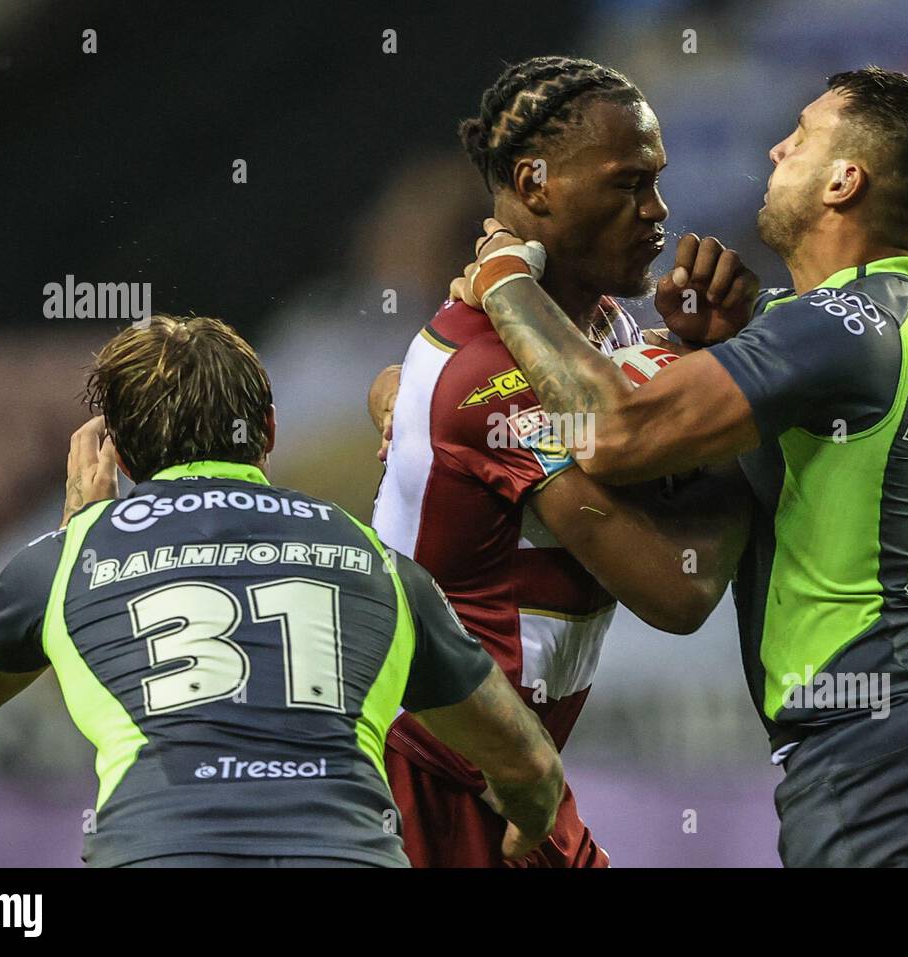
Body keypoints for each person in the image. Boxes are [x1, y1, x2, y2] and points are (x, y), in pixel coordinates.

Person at [452, 67, 908, 867]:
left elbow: (612, 433)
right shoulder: (897, 316)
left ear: (844, 180)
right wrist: (727, 335)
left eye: (800, 137)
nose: (776, 148)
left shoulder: (839, 326)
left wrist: (506, 285)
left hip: (880, 771)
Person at [0, 315, 564, 867]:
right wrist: (528, 821)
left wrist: (77, 523)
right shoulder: (374, 558)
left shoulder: (75, 553)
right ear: (267, 430)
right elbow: (526, 762)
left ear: (122, 457)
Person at [367, 56, 752, 867]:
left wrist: (691, 351)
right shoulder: (498, 378)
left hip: (507, 771)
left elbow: (412, 392)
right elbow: (677, 590)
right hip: (440, 785)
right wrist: (742, 427)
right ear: (534, 184)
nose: (657, 209)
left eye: (656, 180)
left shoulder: (600, 330)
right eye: (626, 184)